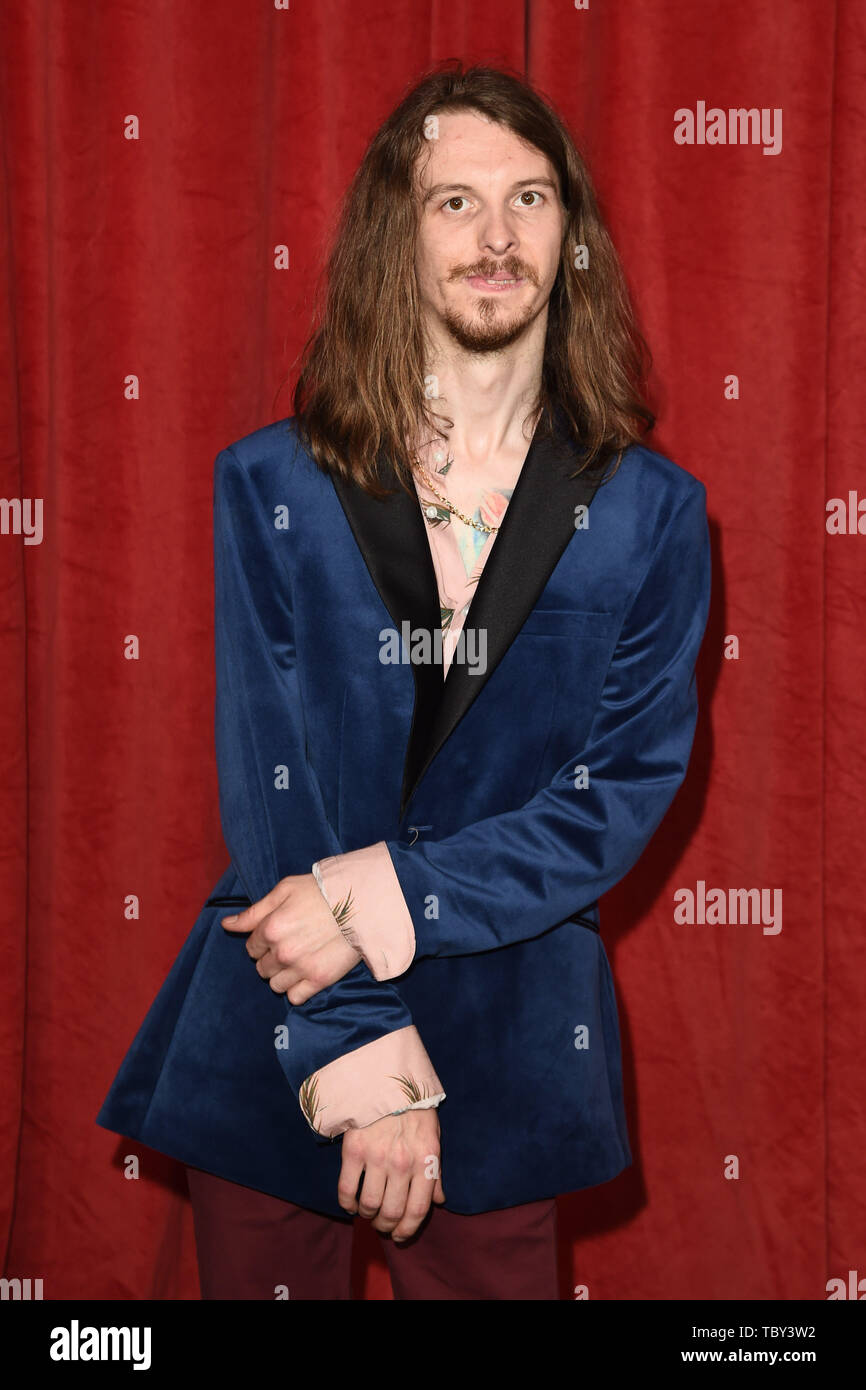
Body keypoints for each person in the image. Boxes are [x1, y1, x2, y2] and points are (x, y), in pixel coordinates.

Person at [97, 62, 711, 1301]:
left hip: (512, 1039)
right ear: (396, 236)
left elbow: (611, 801)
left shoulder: (652, 513)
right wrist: (361, 1054)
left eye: (529, 199)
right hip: (284, 1027)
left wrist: (388, 895)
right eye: (454, 203)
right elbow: (272, 791)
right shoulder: (271, 484)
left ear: (569, 234)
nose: (495, 237)